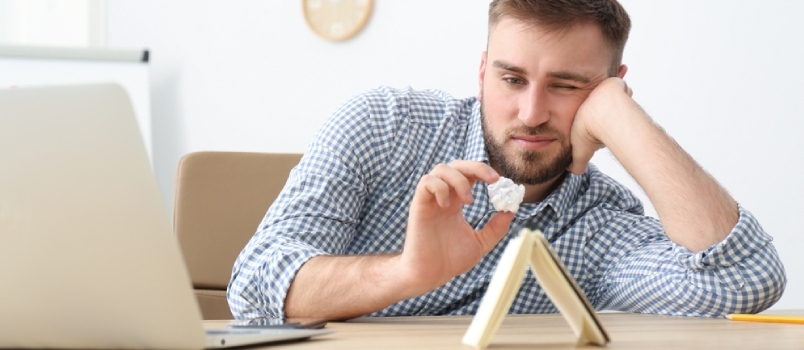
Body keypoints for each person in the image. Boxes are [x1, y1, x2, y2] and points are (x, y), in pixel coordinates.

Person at [228, 0, 786, 321]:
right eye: (511, 78)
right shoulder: (384, 124)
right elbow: (253, 283)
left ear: (611, 90)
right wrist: (406, 273)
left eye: (567, 86)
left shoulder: (599, 224)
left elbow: (743, 280)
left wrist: (623, 123)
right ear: (481, 71)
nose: (532, 112)